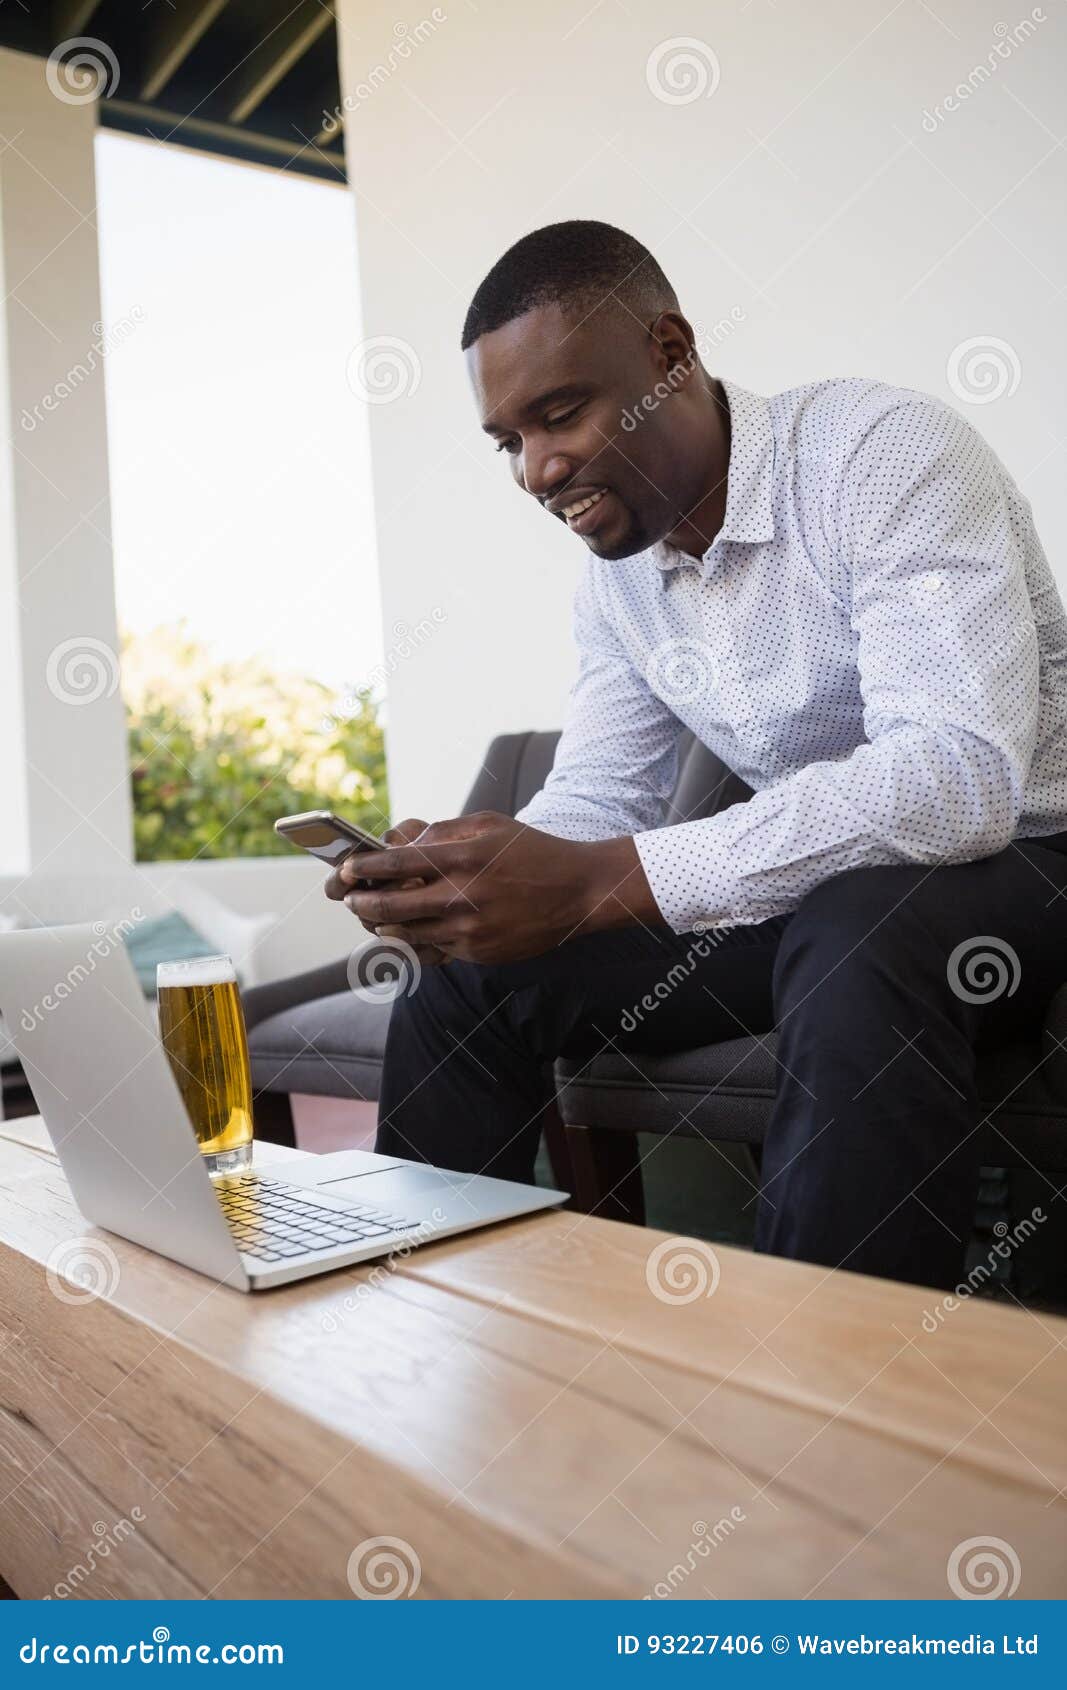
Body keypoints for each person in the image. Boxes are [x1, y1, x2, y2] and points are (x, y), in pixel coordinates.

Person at [327, 219, 1067, 1289]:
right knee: (471, 975)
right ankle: (419, 1325)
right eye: (507, 442)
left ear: (667, 353)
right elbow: (597, 791)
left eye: (558, 413)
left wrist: (608, 877)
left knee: (857, 923)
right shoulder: (617, 577)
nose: (537, 470)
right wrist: (474, 879)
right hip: (814, 897)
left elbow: (957, 779)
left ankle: (820, 1394)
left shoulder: (881, 454)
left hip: (1027, 867)